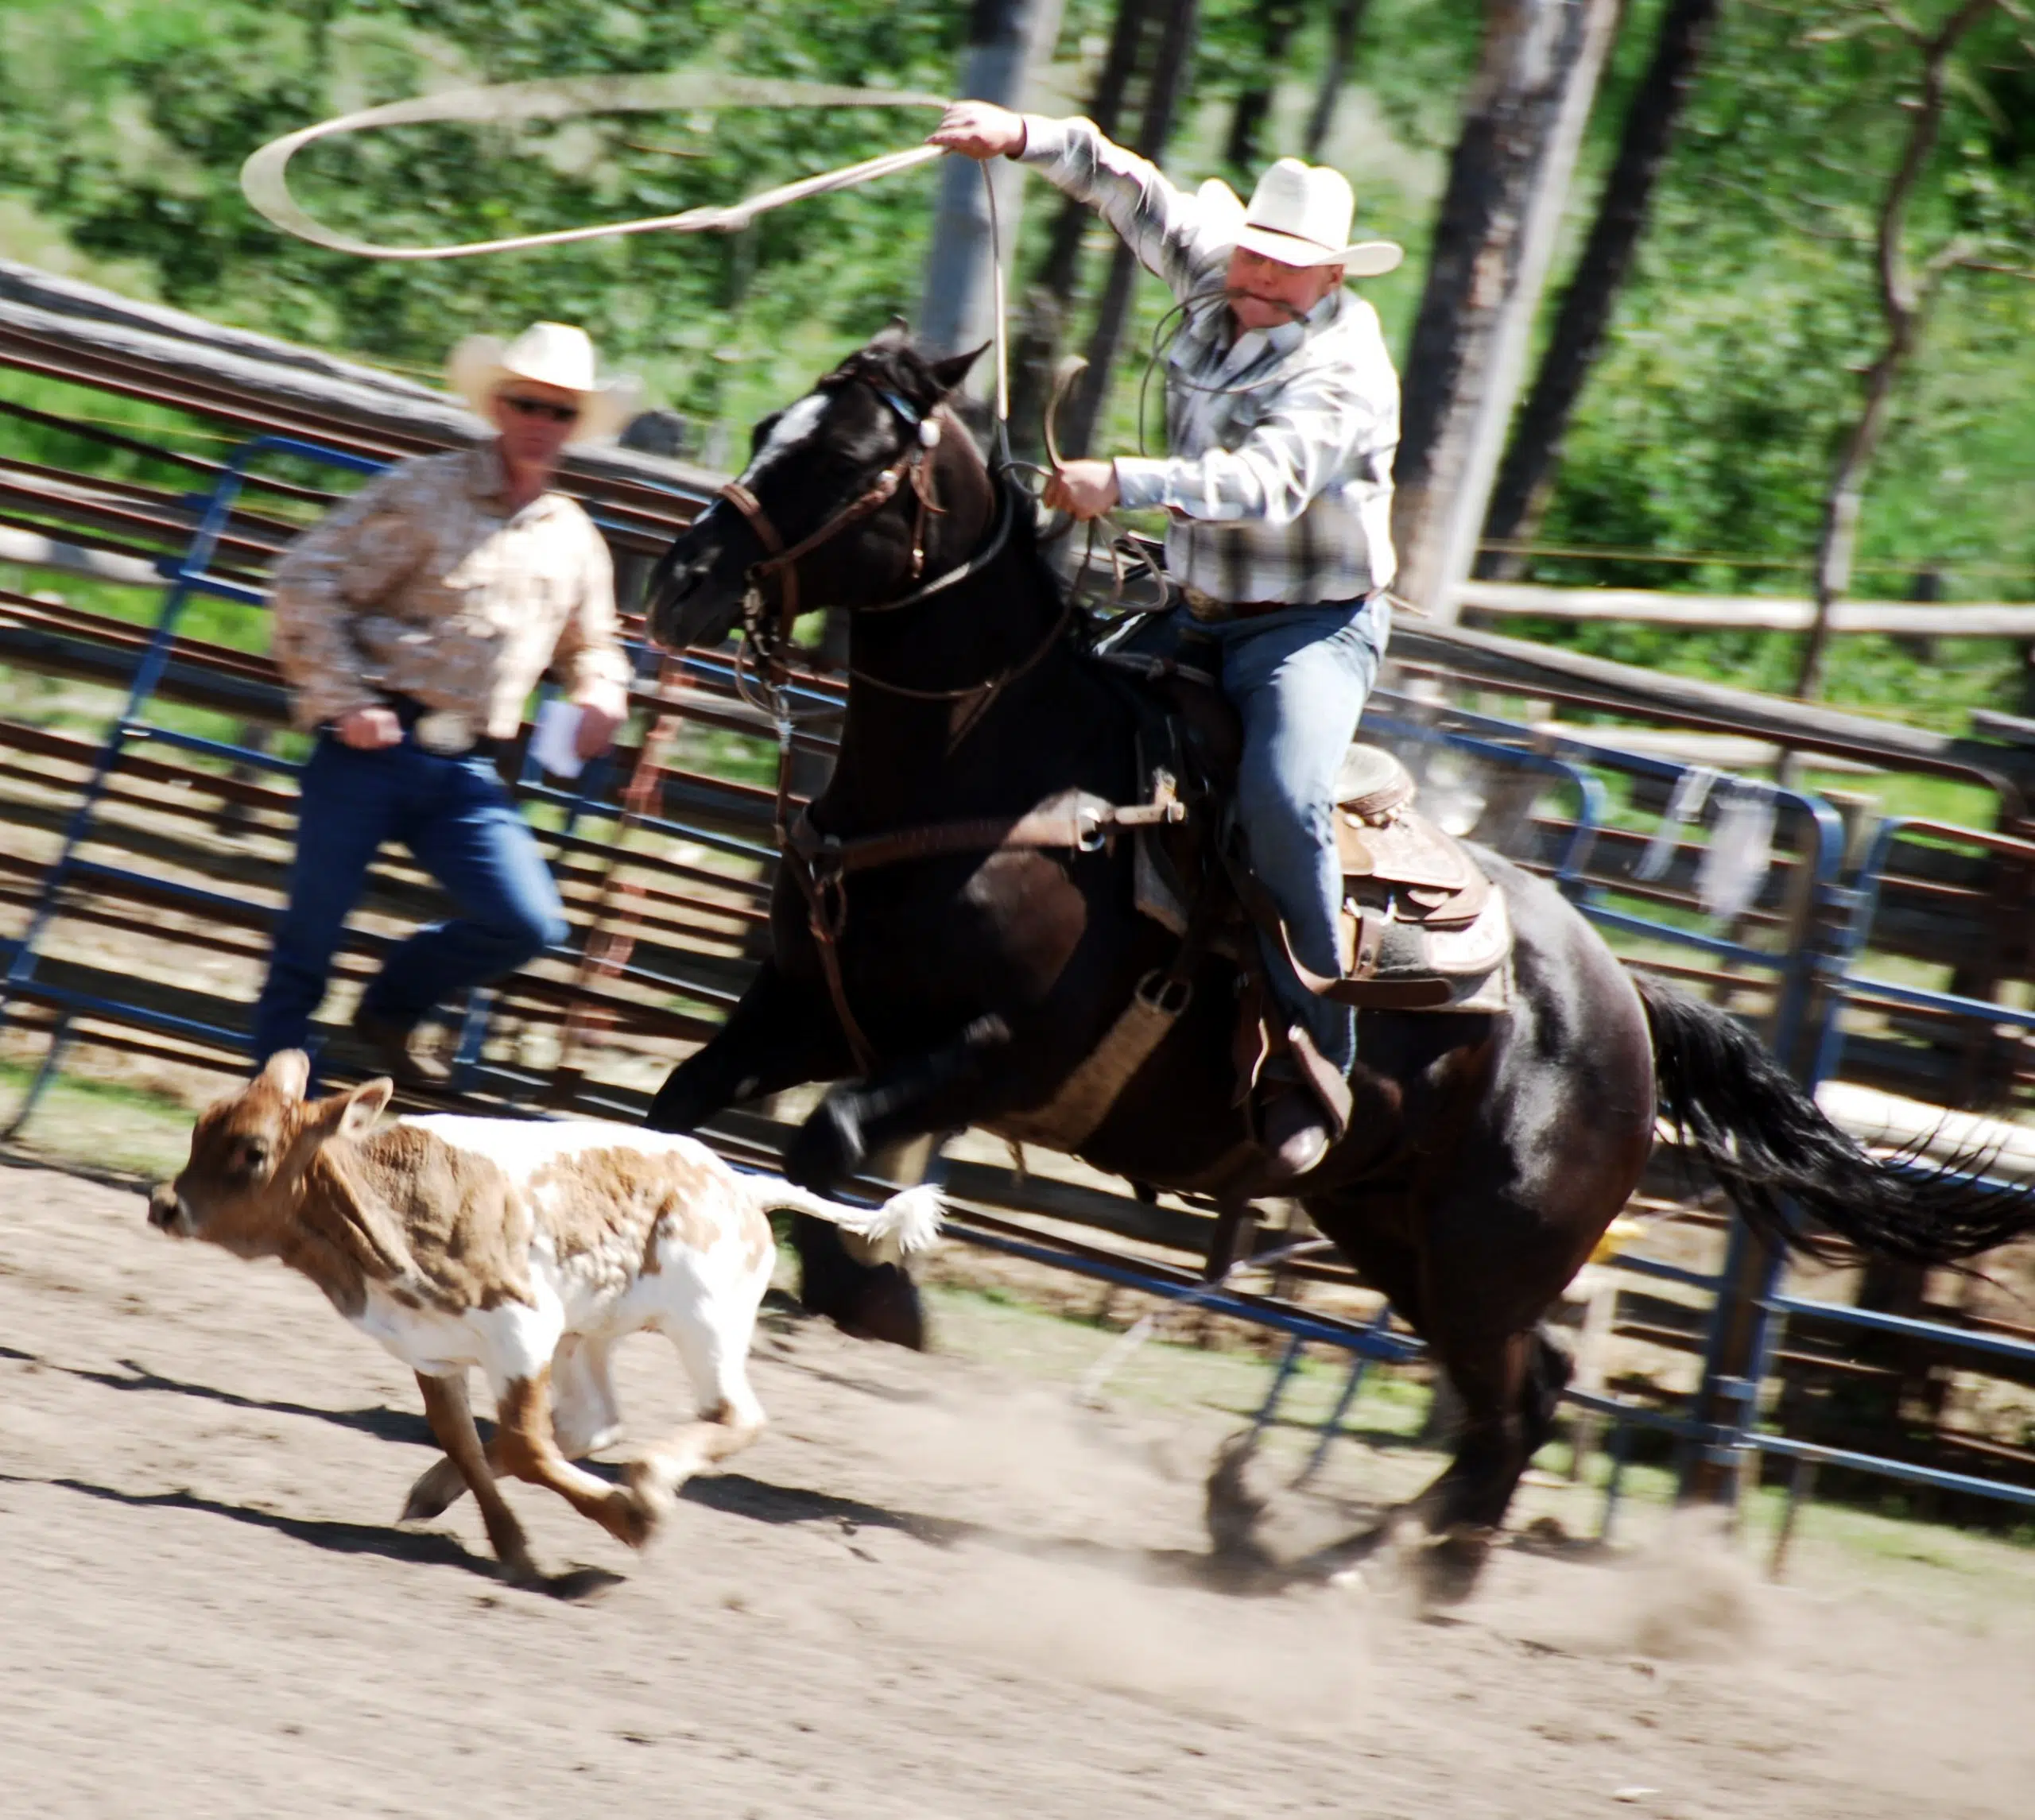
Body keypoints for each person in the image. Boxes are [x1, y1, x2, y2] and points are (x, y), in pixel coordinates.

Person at [929, 103, 1404, 1181]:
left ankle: (1316, 1037)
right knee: (1044, 714)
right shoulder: (1221, 271)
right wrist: (1017, 133)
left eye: (1289, 271)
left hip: (1308, 627)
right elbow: (1125, 182)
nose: (1262, 281)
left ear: (1330, 280)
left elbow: (1267, 483)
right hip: (1198, 608)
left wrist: (1124, 482)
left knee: (1285, 794)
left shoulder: (1343, 372)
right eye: (1256, 256)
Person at [251, 321, 637, 1085]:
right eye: (528, 403)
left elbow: (590, 643)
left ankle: (390, 1010)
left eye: (559, 412)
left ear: (574, 428)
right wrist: (344, 698)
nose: (541, 422)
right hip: (370, 745)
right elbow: (305, 578)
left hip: (466, 769)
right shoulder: (425, 491)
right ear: (499, 406)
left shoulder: (572, 536)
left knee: (529, 924)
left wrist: (601, 690)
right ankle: (268, 1109)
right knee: (311, 935)